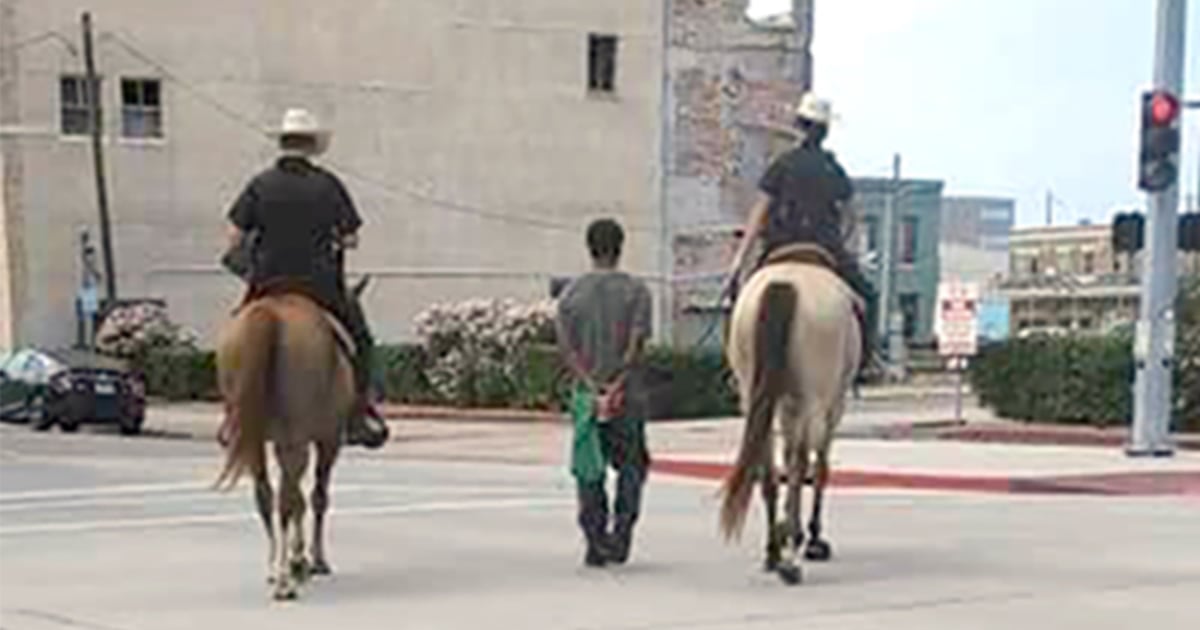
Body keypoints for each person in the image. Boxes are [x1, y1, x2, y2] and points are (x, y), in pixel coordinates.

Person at [221, 108, 388, 449]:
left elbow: (234, 236)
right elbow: (352, 237)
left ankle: (232, 416)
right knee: (362, 341)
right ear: (312, 146)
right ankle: (359, 414)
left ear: (282, 143)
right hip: (319, 287)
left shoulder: (259, 184)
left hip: (265, 284)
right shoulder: (328, 185)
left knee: (233, 338)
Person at [726, 92, 878, 378]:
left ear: (799, 124)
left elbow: (758, 215)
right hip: (825, 249)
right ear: (826, 131)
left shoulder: (782, 165)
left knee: (744, 298)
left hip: (779, 248)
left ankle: (738, 368)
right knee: (869, 297)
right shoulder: (834, 169)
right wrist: (843, 245)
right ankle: (864, 363)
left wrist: (739, 261)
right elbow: (850, 218)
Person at [555, 219, 653, 568]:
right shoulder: (637, 292)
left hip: (586, 396)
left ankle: (595, 541)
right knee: (632, 466)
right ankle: (621, 533)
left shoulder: (570, 295)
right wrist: (618, 385)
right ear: (620, 246)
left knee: (589, 467)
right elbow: (637, 343)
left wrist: (591, 386)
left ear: (589, 247)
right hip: (628, 397)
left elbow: (566, 349)